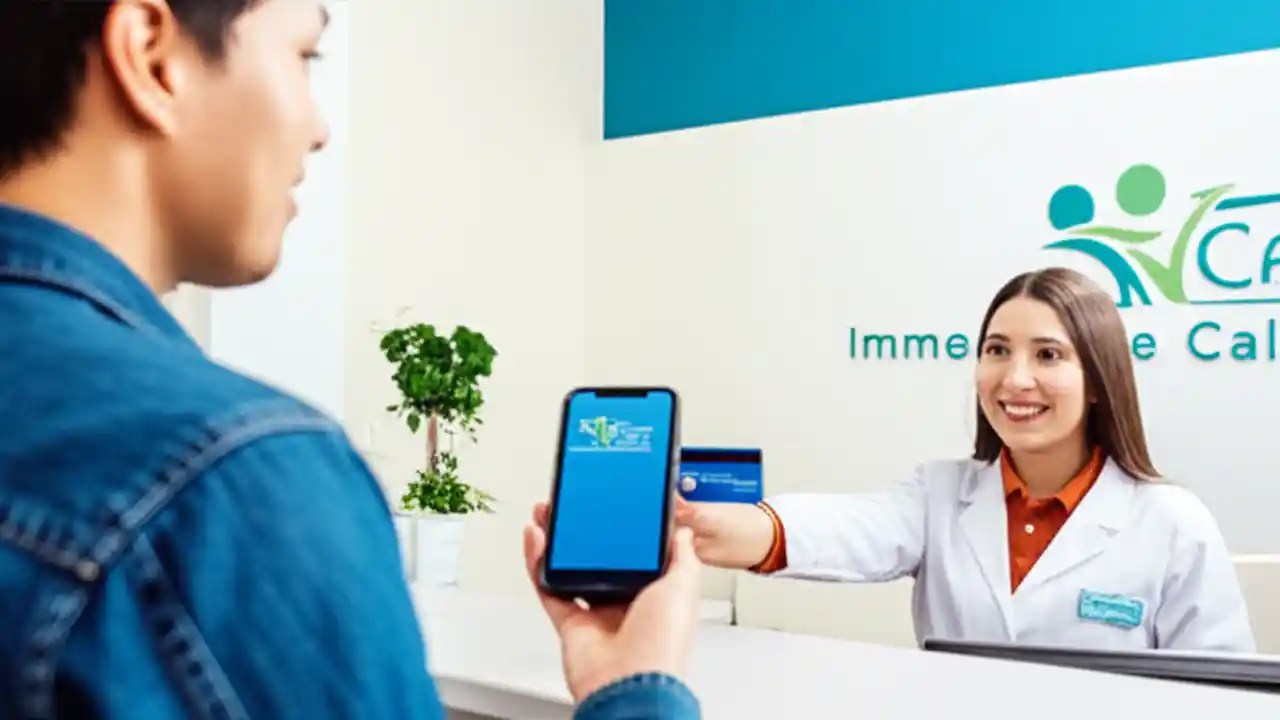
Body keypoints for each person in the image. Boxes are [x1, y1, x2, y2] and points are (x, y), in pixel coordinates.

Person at [0, 1, 701, 718]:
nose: (320, 129)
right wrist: (634, 690)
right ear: (153, 56)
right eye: (305, 58)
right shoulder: (231, 481)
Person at [678, 267, 1256, 653]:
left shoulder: (1171, 522)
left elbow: (1223, 694)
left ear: (1099, 380)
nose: (1015, 378)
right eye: (996, 350)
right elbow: (850, 528)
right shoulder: (940, 494)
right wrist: (727, 526)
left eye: (1048, 355)